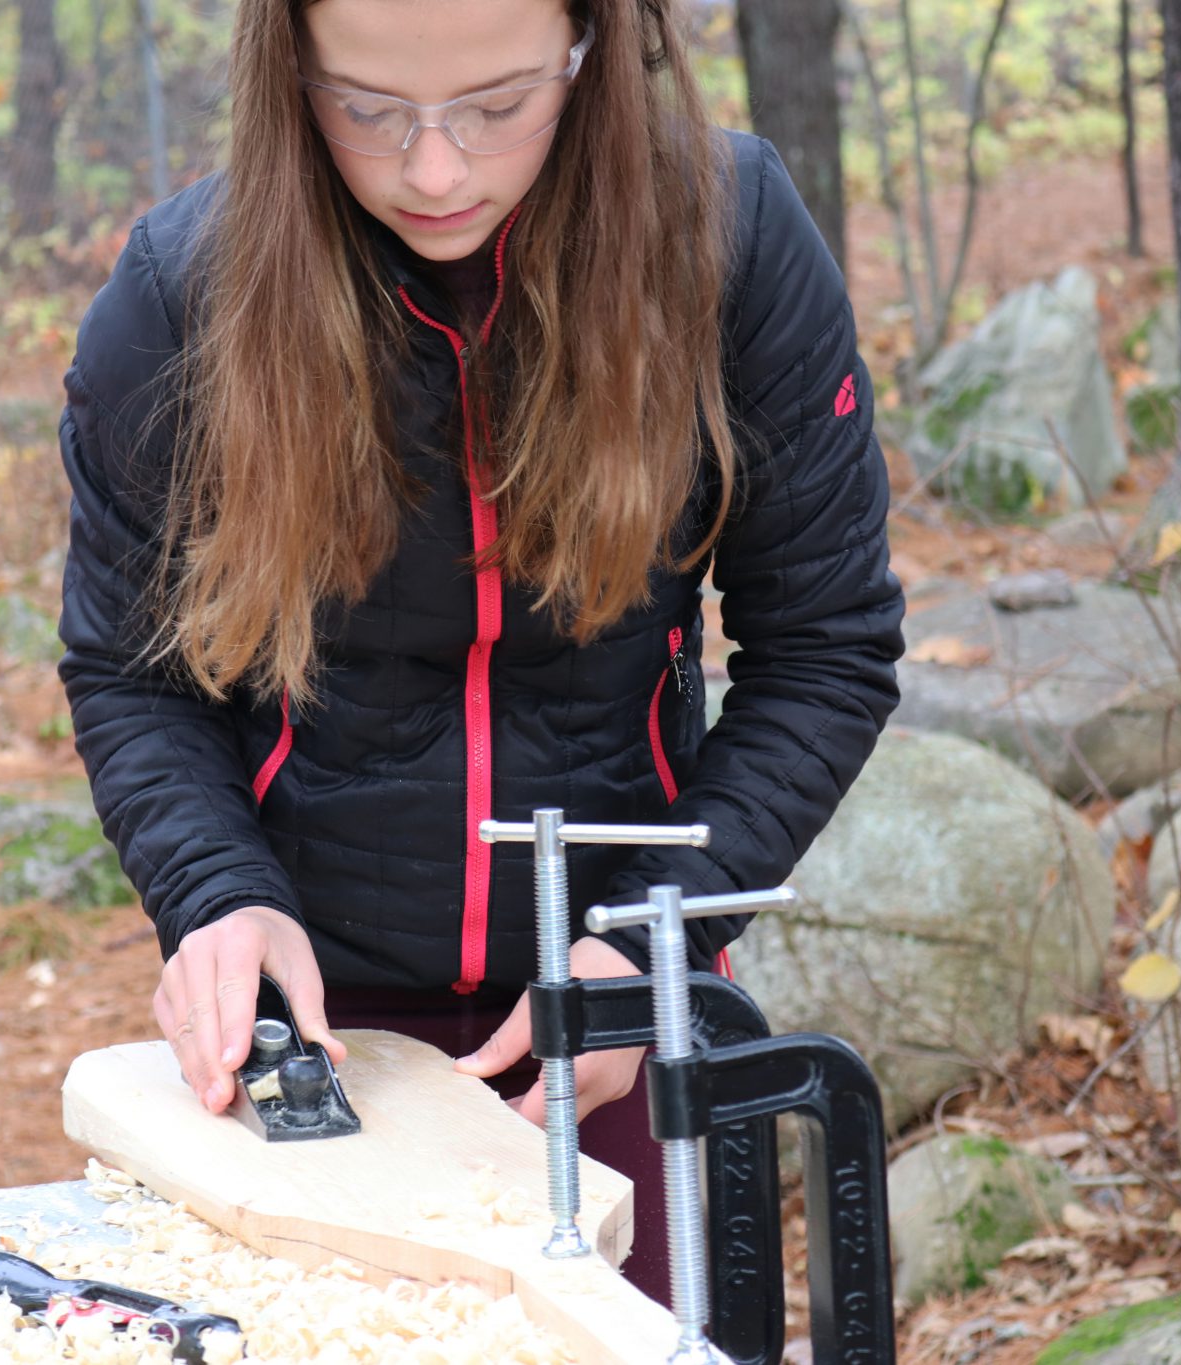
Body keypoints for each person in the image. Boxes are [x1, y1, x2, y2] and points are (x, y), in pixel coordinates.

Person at [56, 0, 904, 1302]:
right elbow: (133, 669)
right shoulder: (183, 292)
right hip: (312, 1014)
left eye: (498, 106)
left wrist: (653, 938)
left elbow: (828, 647)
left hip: (612, 998)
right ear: (289, 72)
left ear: (589, 51)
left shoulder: (726, 240)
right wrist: (214, 893)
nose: (435, 169)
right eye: (368, 109)